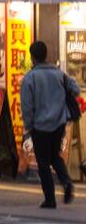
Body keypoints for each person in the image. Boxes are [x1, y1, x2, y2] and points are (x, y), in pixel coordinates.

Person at [20, 40, 80, 209]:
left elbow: (27, 106)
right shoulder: (59, 74)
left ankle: (50, 199)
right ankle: (66, 182)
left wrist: (28, 125)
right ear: (46, 55)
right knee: (54, 156)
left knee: (43, 161)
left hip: (40, 126)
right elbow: (75, 89)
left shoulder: (30, 78)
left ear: (32, 58)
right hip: (59, 123)